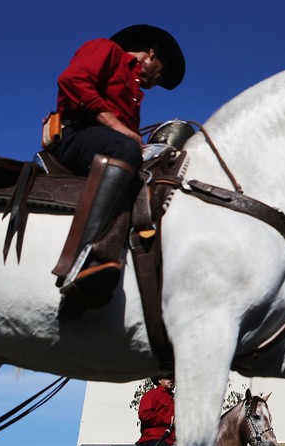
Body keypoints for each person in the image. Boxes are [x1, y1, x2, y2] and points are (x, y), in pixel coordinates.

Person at [50, 24, 185, 303]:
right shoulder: (106, 49)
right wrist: (120, 130)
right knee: (124, 147)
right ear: (151, 52)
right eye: (159, 75)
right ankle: (86, 257)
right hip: (76, 133)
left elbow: (130, 138)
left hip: (110, 145)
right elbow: (72, 81)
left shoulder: (136, 94)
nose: (155, 83)